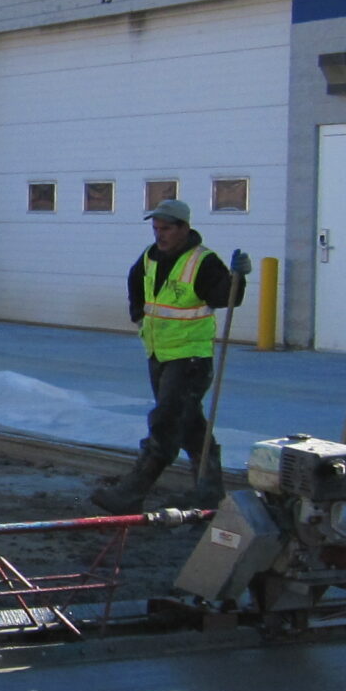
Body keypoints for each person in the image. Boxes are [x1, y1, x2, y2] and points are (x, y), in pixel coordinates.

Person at [91, 197, 238, 513]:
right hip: (159, 353)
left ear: (184, 228)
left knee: (166, 421)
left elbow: (226, 298)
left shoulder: (203, 262)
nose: (160, 235)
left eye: (166, 229)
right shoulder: (150, 257)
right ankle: (210, 492)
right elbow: (135, 283)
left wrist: (238, 280)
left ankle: (131, 492)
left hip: (191, 357)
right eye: (156, 228)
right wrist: (138, 316)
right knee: (191, 425)